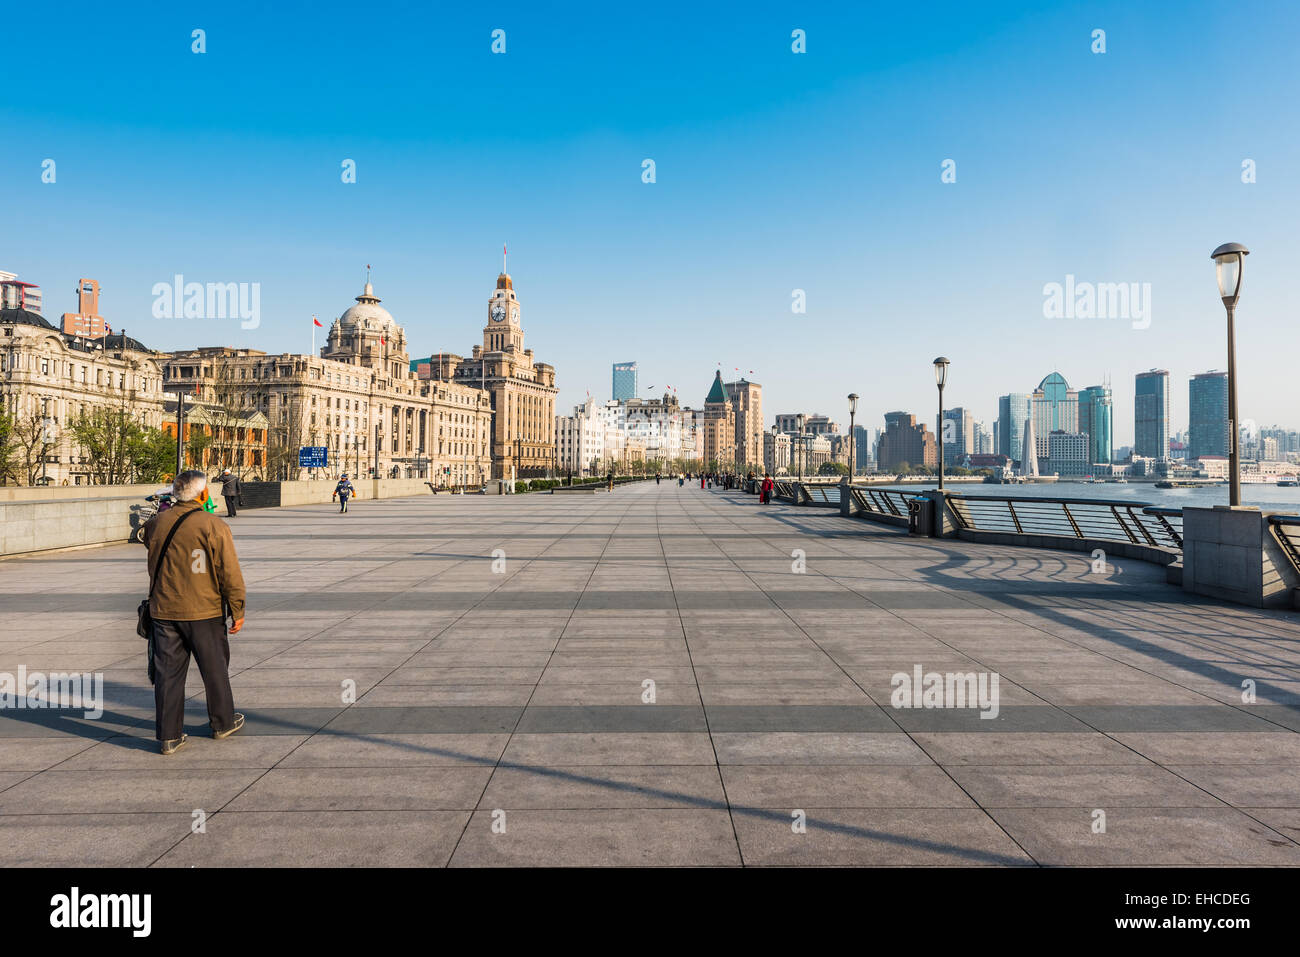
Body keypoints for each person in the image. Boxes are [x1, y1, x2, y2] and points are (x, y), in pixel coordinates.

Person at [142, 470, 245, 756]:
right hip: (204, 611)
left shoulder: (156, 523)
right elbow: (229, 571)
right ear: (202, 494)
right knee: (214, 670)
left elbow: (146, 540)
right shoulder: (213, 525)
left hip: (164, 609)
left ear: (174, 493)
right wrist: (237, 607)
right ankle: (223, 722)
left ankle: (168, 736)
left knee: (168, 674)